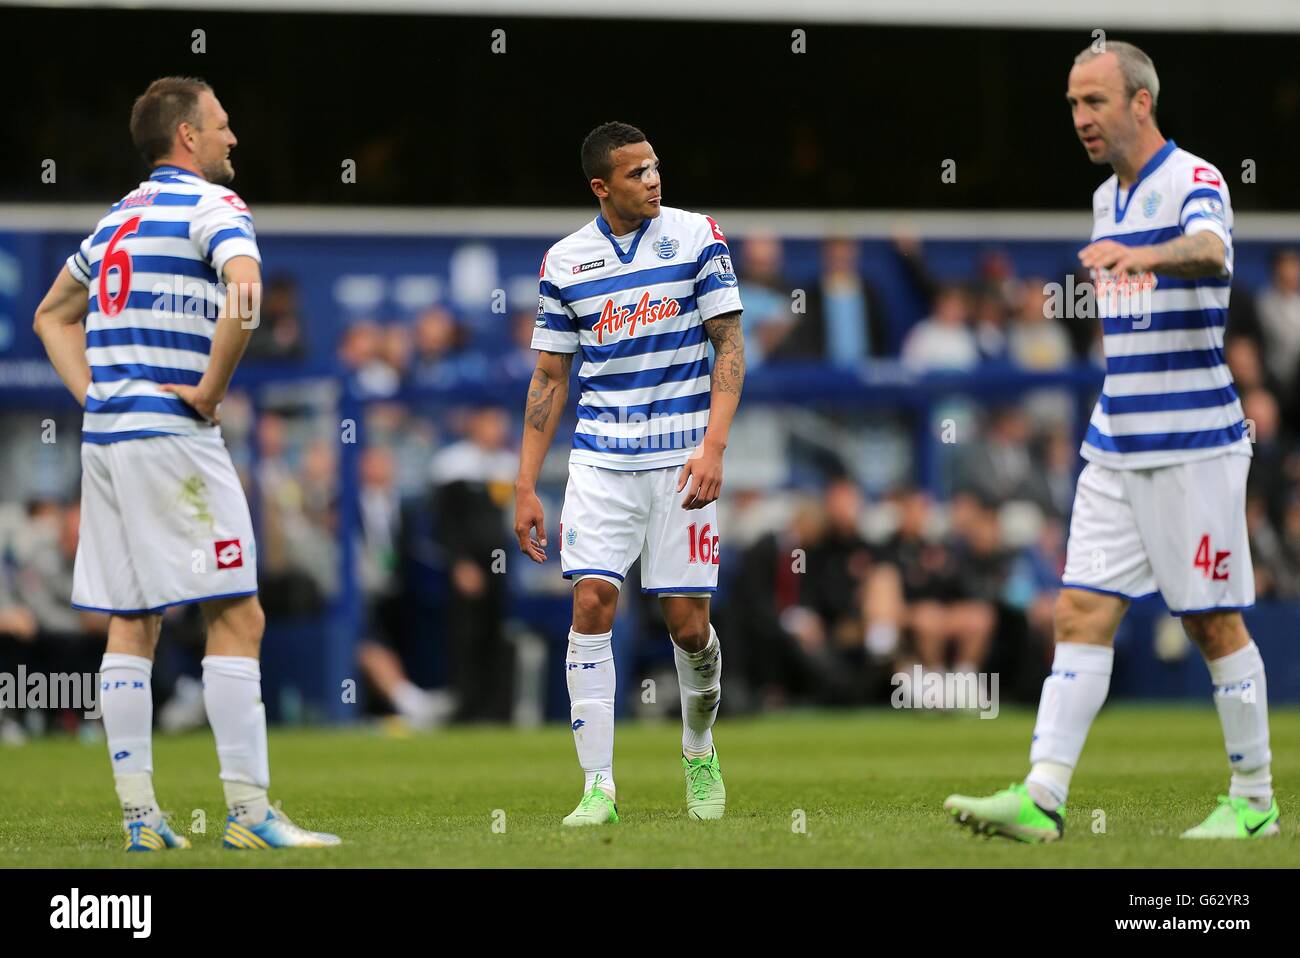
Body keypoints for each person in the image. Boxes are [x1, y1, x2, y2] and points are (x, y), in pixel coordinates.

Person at [945, 42, 1278, 842]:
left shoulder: (1194, 179)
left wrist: (1147, 254)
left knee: (1211, 622)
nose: (1080, 118)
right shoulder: (1105, 200)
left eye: (1093, 102)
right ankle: (1043, 798)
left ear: (1140, 102)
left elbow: (1212, 251)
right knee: (1080, 610)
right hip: (1115, 442)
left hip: (1192, 441)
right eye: (1071, 104)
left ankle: (1255, 801)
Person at [31, 76, 338, 851]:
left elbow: (50, 315)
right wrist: (208, 390)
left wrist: (99, 394)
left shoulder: (117, 218)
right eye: (224, 125)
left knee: (131, 624)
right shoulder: (214, 207)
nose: (234, 138)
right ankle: (250, 814)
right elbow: (246, 292)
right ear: (188, 138)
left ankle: (142, 820)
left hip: (108, 441)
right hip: (172, 436)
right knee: (237, 613)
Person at [513, 121, 744, 825]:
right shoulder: (564, 263)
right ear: (600, 186)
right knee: (590, 606)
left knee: (687, 626)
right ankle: (598, 788)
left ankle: (698, 747)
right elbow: (550, 375)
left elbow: (729, 342)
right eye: (636, 172)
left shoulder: (697, 236)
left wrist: (714, 448)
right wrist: (525, 483)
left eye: (654, 168)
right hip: (602, 460)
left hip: (681, 459)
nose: (652, 180)